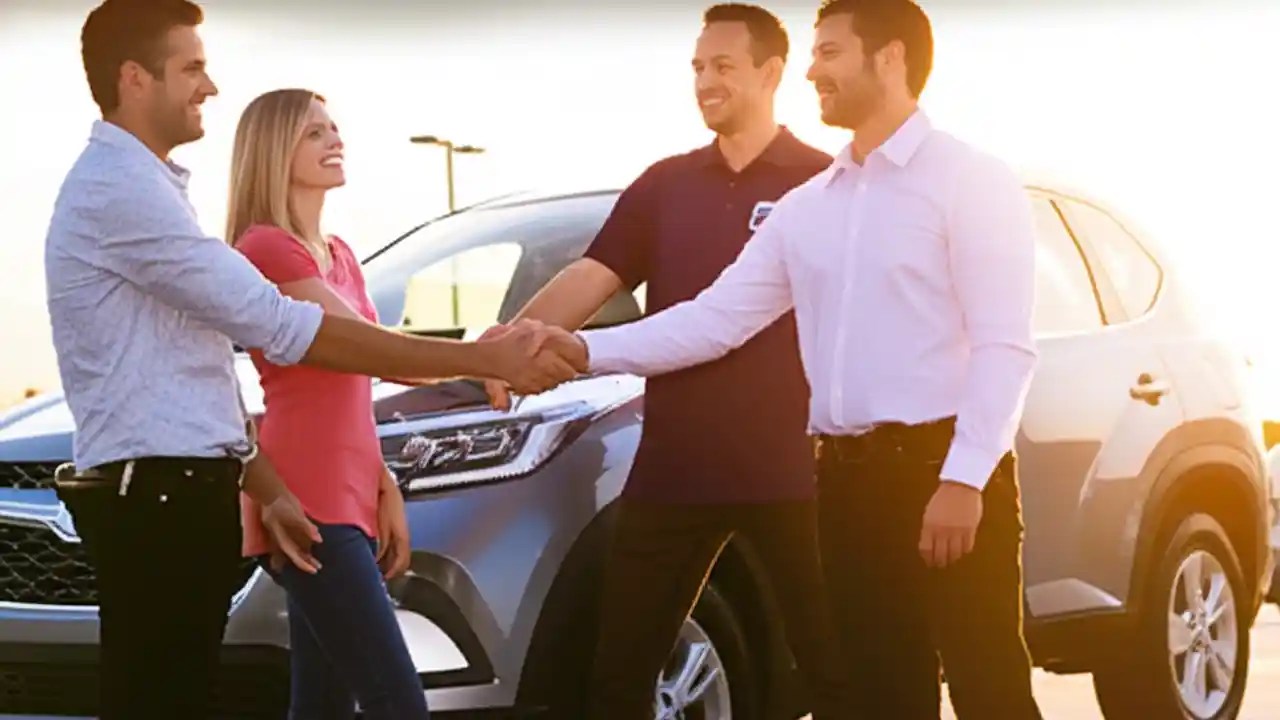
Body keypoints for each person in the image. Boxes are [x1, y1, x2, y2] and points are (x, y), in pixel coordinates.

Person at [44, 2, 583, 718]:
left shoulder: (150, 193)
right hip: (159, 499)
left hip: (187, 491)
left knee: (278, 702)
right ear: (135, 79)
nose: (209, 86)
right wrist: (488, 360)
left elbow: (195, 375)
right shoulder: (123, 193)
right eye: (192, 68)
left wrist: (268, 486)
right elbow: (286, 327)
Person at [567, 1, 1045, 718]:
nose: (813, 71)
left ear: (891, 59)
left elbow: (1005, 344)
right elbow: (714, 321)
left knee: (989, 692)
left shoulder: (969, 178)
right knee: (878, 696)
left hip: (943, 474)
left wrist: (964, 479)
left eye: (829, 53)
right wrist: (578, 350)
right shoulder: (808, 206)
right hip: (845, 485)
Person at [483, 5, 853, 718]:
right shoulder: (664, 185)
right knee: (618, 680)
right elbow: (593, 278)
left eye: (723, 67)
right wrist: (510, 349)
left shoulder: (823, 181)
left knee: (833, 669)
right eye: (697, 68)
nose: (705, 82)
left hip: (796, 471)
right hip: (673, 470)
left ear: (773, 73)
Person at [226, 87, 429, 719]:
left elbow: (354, 387)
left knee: (322, 707)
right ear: (273, 150)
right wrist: (488, 359)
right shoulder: (265, 248)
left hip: (350, 492)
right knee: (398, 701)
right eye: (314, 132)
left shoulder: (340, 254)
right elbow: (373, 349)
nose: (334, 139)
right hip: (306, 497)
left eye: (333, 127)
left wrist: (383, 483)